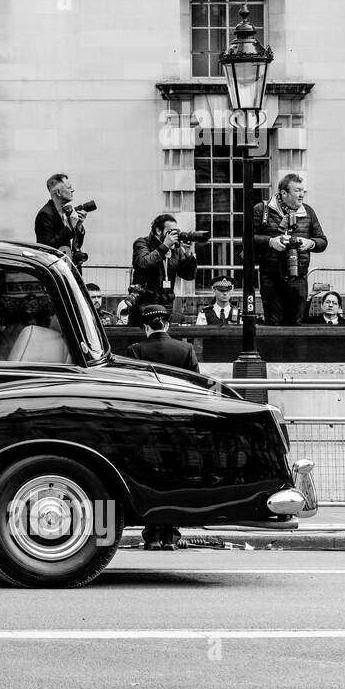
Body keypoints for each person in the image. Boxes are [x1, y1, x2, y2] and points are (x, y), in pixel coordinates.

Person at [125, 304, 200, 551]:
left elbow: (132, 390)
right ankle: (171, 535)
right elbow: (195, 387)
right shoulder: (186, 350)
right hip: (178, 422)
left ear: (145, 327)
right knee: (175, 478)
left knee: (149, 478)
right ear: (167, 324)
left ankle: (152, 535)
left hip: (148, 423)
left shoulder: (135, 350)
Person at [253, 173, 328, 326]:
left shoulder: (308, 211)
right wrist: (270, 241)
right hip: (271, 276)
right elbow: (248, 239)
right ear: (284, 193)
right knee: (274, 323)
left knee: (296, 323)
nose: (302, 194)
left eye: (303, 190)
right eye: (297, 190)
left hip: (298, 276)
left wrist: (310, 243)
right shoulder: (262, 210)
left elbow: (323, 241)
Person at [129, 214, 198, 326]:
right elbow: (143, 263)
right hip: (145, 305)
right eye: (170, 231)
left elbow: (188, 275)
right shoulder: (142, 243)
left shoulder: (175, 250)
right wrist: (165, 246)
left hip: (167, 305)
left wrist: (188, 254)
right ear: (158, 230)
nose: (174, 235)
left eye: (176, 231)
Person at [34, 173, 87, 266]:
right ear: (58, 192)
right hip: (57, 269)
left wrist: (78, 226)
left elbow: (76, 245)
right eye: (69, 187)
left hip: (70, 268)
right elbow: (46, 248)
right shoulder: (45, 214)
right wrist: (69, 227)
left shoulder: (67, 212)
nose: (73, 190)